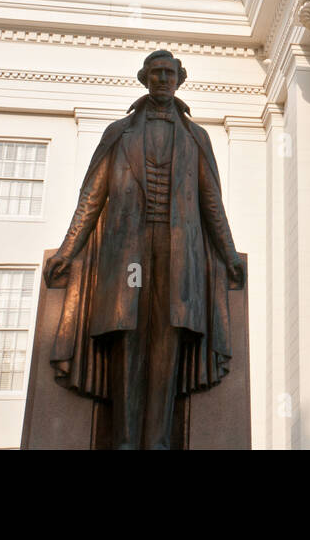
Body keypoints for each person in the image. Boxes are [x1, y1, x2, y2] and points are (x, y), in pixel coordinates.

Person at [43, 49, 244, 449]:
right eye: (156, 73)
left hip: (178, 253)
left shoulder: (196, 137)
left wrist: (228, 252)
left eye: (170, 73)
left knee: (167, 341)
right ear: (144, 78)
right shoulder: (118, 133)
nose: (163, 80)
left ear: (180, 78)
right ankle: (124, 440)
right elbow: (92, 197)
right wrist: (68, 249)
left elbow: (211, 202)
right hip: (127, 251)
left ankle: (158, 441)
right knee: (128, 336)